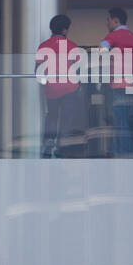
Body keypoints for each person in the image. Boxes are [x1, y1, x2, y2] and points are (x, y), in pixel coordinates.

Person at [35, 14, 85, 157]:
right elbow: (79, 70)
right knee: (67, 118)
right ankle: (62, 147)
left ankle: (48, 144)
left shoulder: (43, 46)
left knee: (52, 116)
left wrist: (46, 82)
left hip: (52, 89)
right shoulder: (72, 46)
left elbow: (37, 70)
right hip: (69, 88)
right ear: (64, 30)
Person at [99, 7, 133, 156]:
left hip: (118, 84)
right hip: (132, 85)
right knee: (126, 119)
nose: (107, 23)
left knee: (120, 120)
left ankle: (124, 152)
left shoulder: (113, 36)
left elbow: (101, 51)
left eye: (108, 20)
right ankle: (117, 149)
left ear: (116, 20)